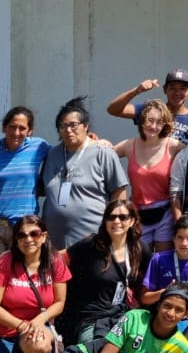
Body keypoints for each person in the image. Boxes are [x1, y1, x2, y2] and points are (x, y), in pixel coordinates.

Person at [0, 214, 69, 353]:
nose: (28, 239)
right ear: (16, 240)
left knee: (40, 346)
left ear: (44, 236)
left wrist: (39, 320)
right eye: (21, 235)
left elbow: (60, 303)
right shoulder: (5, 260)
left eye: (34, 234)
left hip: (37, 328)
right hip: (2, 331)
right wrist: (22, 326)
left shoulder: (54, 261)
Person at [39, 99, 129, 250]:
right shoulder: (52, 155)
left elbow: (119, 193)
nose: (68, 130)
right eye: (63, 126)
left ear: (86, 126)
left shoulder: (103, 152)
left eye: (73, 125)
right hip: (55, 245)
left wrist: (114, 229)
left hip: (93, 242)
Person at [59, 202, 144, 348]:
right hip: (92, 318)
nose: (116, 221)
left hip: (123, 317)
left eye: (122, 217)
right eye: (111, 217)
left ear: (132, 221)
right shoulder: (91, 244)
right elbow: (57, 259)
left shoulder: (138, 249)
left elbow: (157, 268)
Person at [0, 107, 48, 249]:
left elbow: (64, 151)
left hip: (25, 228)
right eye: (12, 127)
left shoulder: (39, 146)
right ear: (4, 128)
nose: (16, 133)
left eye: (22, 128)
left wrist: (90, 140)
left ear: (30, 131)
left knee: (21, 270)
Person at [116, 99, 178, 254]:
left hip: (164, 212)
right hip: (138, 212)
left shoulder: (173, 146)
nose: (154, 126)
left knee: (162, 261)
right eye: (150, 120)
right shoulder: (129, 145)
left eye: (159, 122)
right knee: (140, 262)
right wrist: (99, 141)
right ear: (142, 121)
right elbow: (104, 154)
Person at [143, 214, 188, 314]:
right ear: (173, 238)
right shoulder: (158, 259)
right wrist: (165, 292)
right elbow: (144, 298)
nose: (184, 243)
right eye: (180, 237)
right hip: (162, 314)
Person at [106, 69, 188, 144]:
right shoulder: (151, 111)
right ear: (165, 89)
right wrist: (136, 91)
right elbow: (113, 110)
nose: (177, 93)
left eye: (182, 89)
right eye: (172, 88)